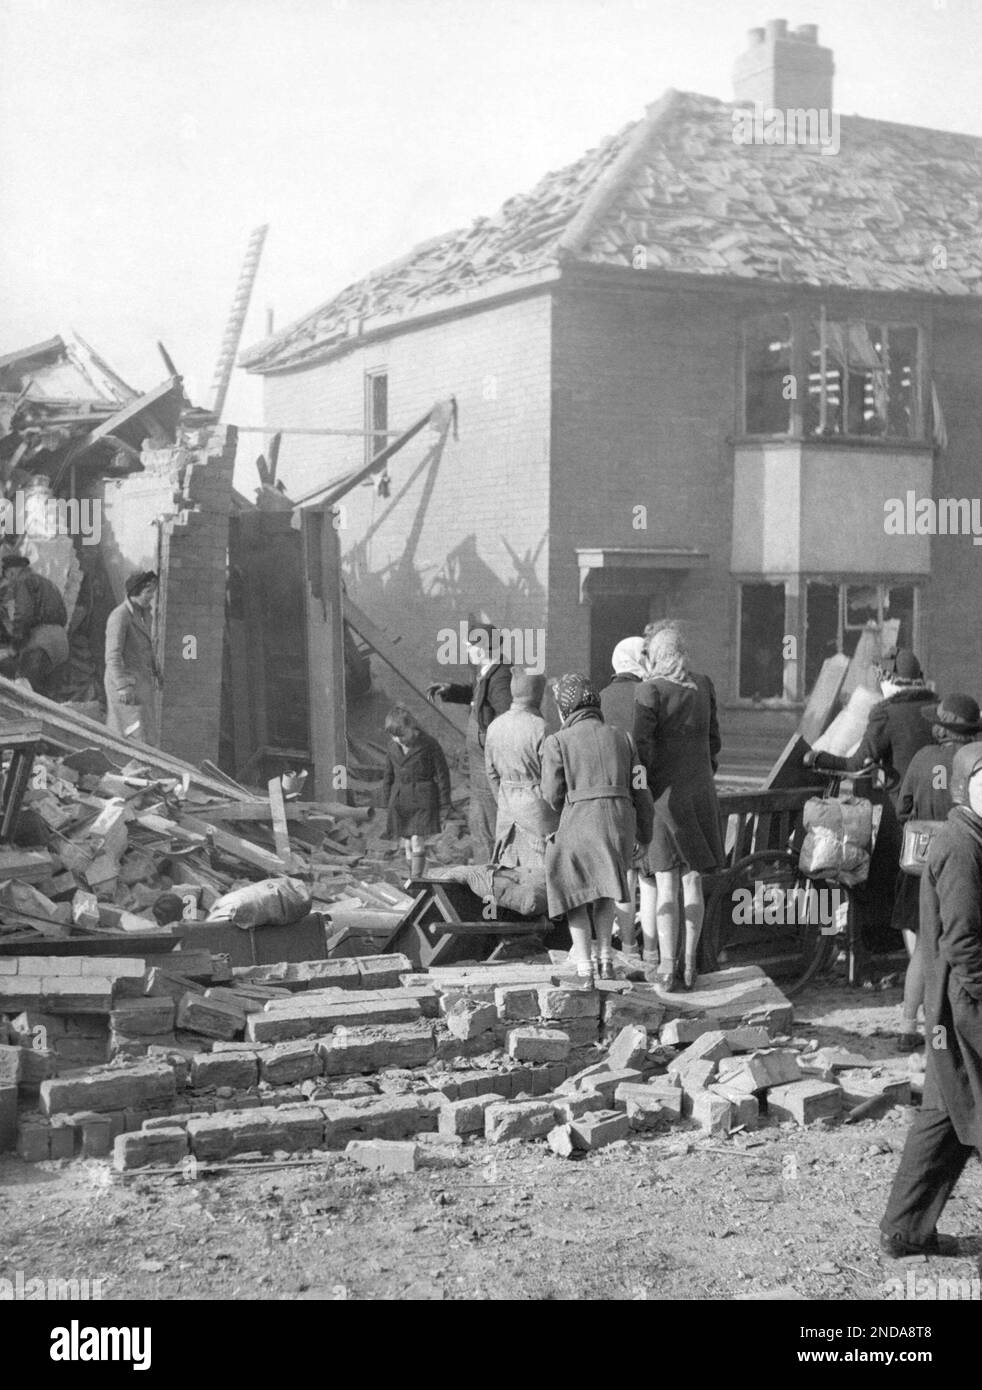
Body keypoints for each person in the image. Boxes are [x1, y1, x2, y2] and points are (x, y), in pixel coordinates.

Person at [878, 740, 982, 1259]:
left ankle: (905, 1231)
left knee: (945, 1117)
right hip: (964, 1004)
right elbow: (963, 943)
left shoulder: (970, 838)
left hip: (952, 1003)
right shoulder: (962, 848)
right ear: (965, 789)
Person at [805, 648, 936, 961]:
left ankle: (883, 945)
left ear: (889, 678)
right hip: (940, 810)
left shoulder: (886, 712)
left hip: (904, 814)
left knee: (885, 874)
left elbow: (855, 763)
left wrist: (818, 757)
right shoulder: (937, 707)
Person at [541, 673, 654, 985]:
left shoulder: (557, 742)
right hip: (619, 825)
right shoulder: (624, 738)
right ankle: (606, 960)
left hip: (580, 821)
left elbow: (551, 794)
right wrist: (645, 834)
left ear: (566, 709)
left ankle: (585, 968)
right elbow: (642, 787)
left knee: (574, 894)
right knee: (605, 893)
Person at [633, 625, 724, 991]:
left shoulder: (649, 690)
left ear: (655, 655)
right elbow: (714, 742)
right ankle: (691, 966)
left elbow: (641, 749)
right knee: (693, 881)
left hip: (663, 796)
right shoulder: (703, 685)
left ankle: (667, 968)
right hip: (700, 792)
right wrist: (701, 775)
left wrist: (643, 790)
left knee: (666, 884)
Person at [892, 695, 982, 1052]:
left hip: (921, 868)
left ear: (940, 729)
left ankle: (907, 1025)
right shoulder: (976, 763)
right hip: (969, 867)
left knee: (924, 949)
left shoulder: (923, 758)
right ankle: (946, 1032)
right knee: (961, 946)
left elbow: (903, 810)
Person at [427, 620, 511, 862]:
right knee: (480, 824)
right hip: (480, 766)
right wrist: (451, 690)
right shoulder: (487, 672)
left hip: (488, 766)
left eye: (469, 646)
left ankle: (491, 884)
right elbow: (478, 696)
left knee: (485, 826)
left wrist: (491, 752)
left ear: (482, 648)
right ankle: (488, 878)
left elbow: (505, 720)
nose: (467, 651)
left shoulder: (501, 677)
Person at [600, 635, 648, 956]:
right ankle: (651, 949)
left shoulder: (599, 697)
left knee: (620, 879)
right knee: (649, 877)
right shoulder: (649, 694)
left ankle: (625, 944)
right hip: (646, 792)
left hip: (612, 795)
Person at [484, 669, 559, 871]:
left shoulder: (494, 726)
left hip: (506, 814)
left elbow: (491, 774)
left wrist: (504, 800)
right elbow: (552, 779)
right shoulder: (542, 728)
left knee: (509, 876)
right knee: (545, 877)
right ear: (539, 695)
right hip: (538, 813)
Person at [380, 704, 451, 880]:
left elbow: (442, 775)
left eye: (402, 734)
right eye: (394, 736)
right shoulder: (391, 747)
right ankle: (413, 878)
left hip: (423, 798)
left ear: (412, 727)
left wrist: (445, 805)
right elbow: (388, 775)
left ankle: (416, 879)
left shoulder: (429, 744)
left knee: (417, 840)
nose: (398, 740)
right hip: (400, 800)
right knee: (406, 843)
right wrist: (386, 803)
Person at [104, 571, 161, 745]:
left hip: (140, 682)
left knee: (143, 732)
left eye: (153, 591)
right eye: (148, 592)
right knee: (132, 733)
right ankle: (129, 770)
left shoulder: (143, 615)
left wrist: (157, 672)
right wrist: (121, 686)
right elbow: (112, 655)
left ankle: (139, 770)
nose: (151, 596)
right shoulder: (120, 616)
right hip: (125, 685)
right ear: (135, 591)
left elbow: (146, 647)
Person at [0, 553, 69, 696]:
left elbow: (24, 616)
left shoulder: (24, 581)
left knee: (25, 694)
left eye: (6, 576)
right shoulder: (46, 582)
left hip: (42, 643)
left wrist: (14, 646)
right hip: (60, 643)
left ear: (11, 572)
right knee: (44, 697)